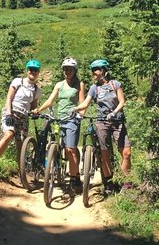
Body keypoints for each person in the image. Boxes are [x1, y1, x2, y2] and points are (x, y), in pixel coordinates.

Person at [75, 59, 131, 194]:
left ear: (104, 70)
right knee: (105, 154)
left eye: (97, 69)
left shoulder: (115, 84)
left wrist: (114, 112)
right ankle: (109, 183)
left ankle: (126, 183)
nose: (94, 72)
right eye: (92, 70)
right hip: (102, 122)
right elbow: (86, 103)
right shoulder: (94, 88)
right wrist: (75, 109)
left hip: (117, 122)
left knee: (126, 153)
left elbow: (122, 101)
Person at [34, 57, 85, 192]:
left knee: (70, 149)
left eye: (70, 69)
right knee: (60, 146)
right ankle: (58, 168)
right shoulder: (59, 85)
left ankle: (74, 179)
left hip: (72, 119)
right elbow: (50, 101)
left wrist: (80, 114)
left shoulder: (79, 85)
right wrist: (38, 110)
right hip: (60, 118)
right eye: (65, 69)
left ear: (75, 70)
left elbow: (82, 103)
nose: (68, 71)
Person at [0, 60, 42, 175]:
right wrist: (8, 114)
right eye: (31, 69)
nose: (33, 72)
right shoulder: (18, 81)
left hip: (24, 117)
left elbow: (33, 106)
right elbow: (9, 98)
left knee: (21, 146)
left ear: (38, 72)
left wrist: (35, 112)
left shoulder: (37, 90)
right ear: (27, 71)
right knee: (9, 134)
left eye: (35, 70)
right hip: (11, 112)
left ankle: (22, 174)